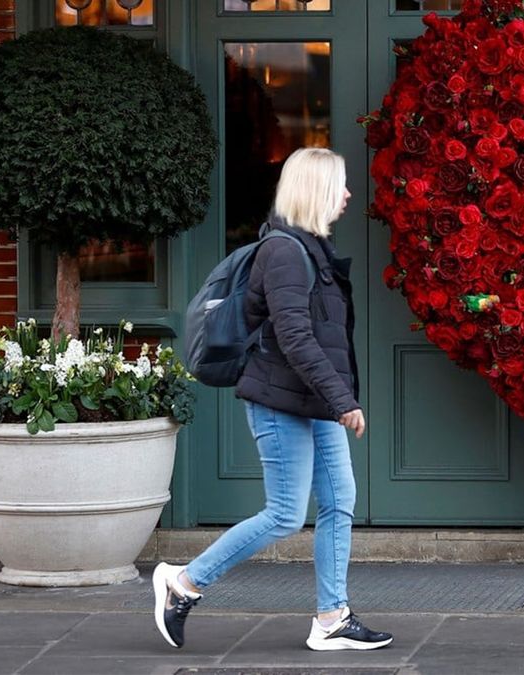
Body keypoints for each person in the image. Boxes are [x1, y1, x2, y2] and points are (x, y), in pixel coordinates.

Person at [152, 147, 392, 652]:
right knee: (284, 513)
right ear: (317, 190)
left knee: (339, 501)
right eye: (341, 185)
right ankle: (185, 582)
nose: (348, 195)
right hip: (281, 401)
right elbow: (297, 337)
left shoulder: (310, 248)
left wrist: (334, 399)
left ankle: (332, 617)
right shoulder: (283, 252)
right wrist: (344, 400)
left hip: (312, 400)